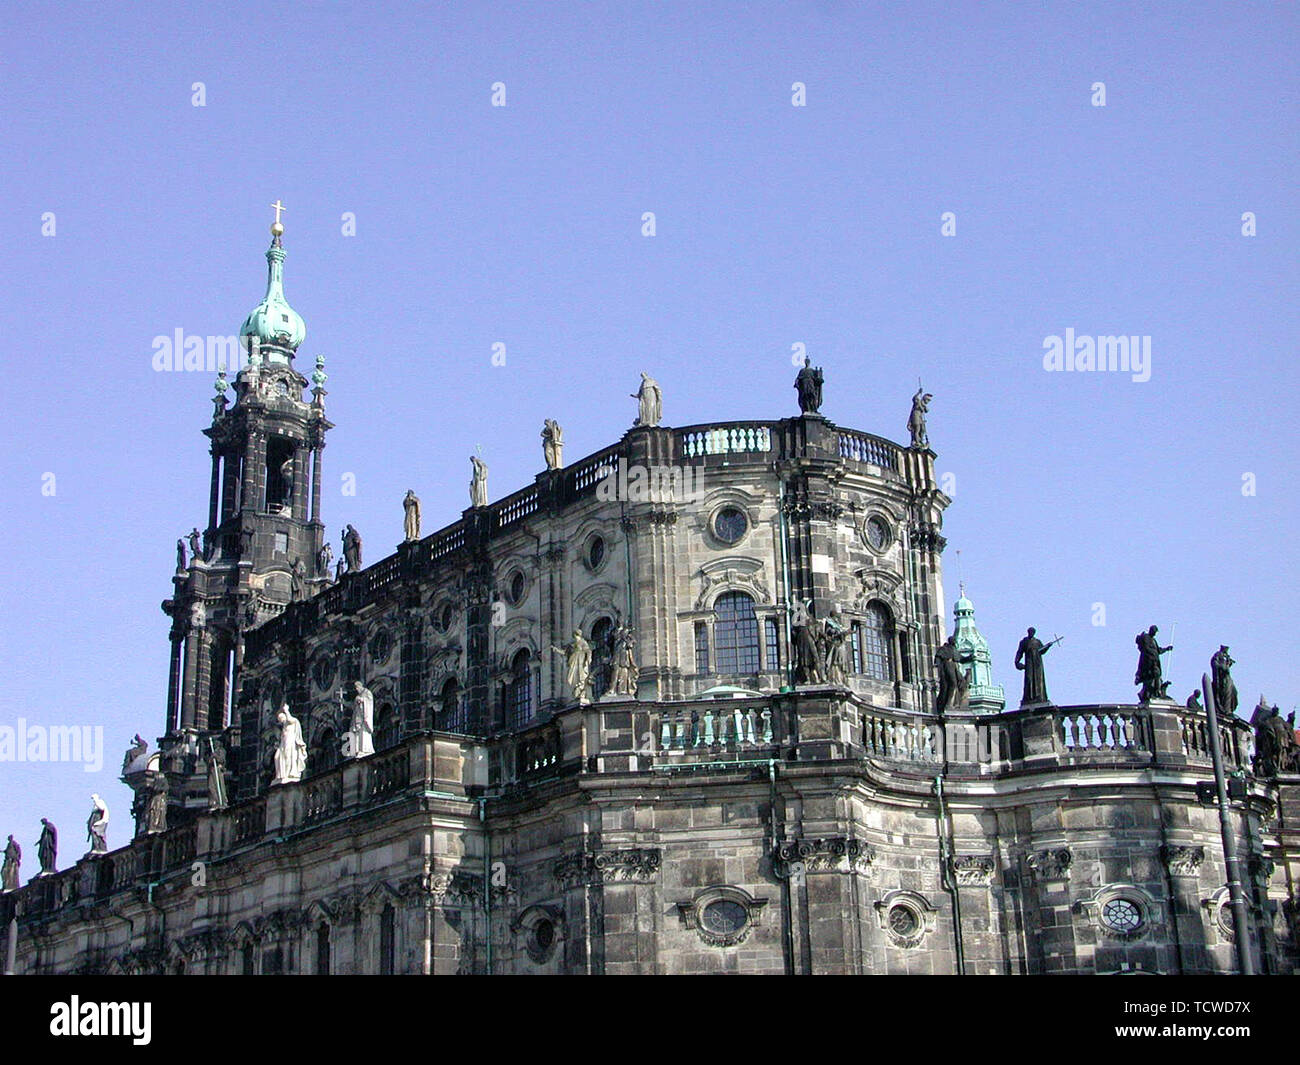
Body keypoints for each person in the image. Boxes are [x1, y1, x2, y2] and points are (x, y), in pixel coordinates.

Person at [1014, 627, 1058, 706]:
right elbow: (1019, 652)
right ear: (1028, 632)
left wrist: (1048, 646)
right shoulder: (1024, 642)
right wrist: (1017, 662)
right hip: (1029, 663)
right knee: (1029, 679)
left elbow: (1042, 650)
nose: (1031, 633)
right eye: (1030, 632)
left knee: (1039, 680)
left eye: (1032, 632)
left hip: (1037, 664)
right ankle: (1028, 697)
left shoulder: (1037, 642)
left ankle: (1039, 696)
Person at [552, 630, 593, 705]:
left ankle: (580, 692)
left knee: (581, 677)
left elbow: (588, 651)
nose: (575, 636)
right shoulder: (573, 645)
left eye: (576, 634)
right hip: (573, 662)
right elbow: (565, 652)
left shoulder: (583, 642)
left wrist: (588, 659)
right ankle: (576, 693)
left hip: (580, 661)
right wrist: (556, 650)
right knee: (571, 678)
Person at [1134, 626, 1172, 701]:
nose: (1155, 634)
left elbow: (1158, 651)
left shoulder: (1154, 640)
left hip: (1155, 661)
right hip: (1148, 662)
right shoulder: (1146, 638)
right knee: (1154, 675)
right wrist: (1154, 654)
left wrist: (1167, 649)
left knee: (1156, 675)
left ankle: (1156, 691)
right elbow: (1147, 649)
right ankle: (1154, 691)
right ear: (1151, 630)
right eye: (1154, 632)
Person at [272, 705, 308, 784]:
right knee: (277, 757)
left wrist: (286, 710)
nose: (280, 720)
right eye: (279, 719)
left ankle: (289, 774)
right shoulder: (284, 726)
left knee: (288, 756)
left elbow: (290, 719)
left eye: (281, 718)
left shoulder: (292, 721)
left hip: (290, 742)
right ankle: (280, 775)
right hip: (283, 744)